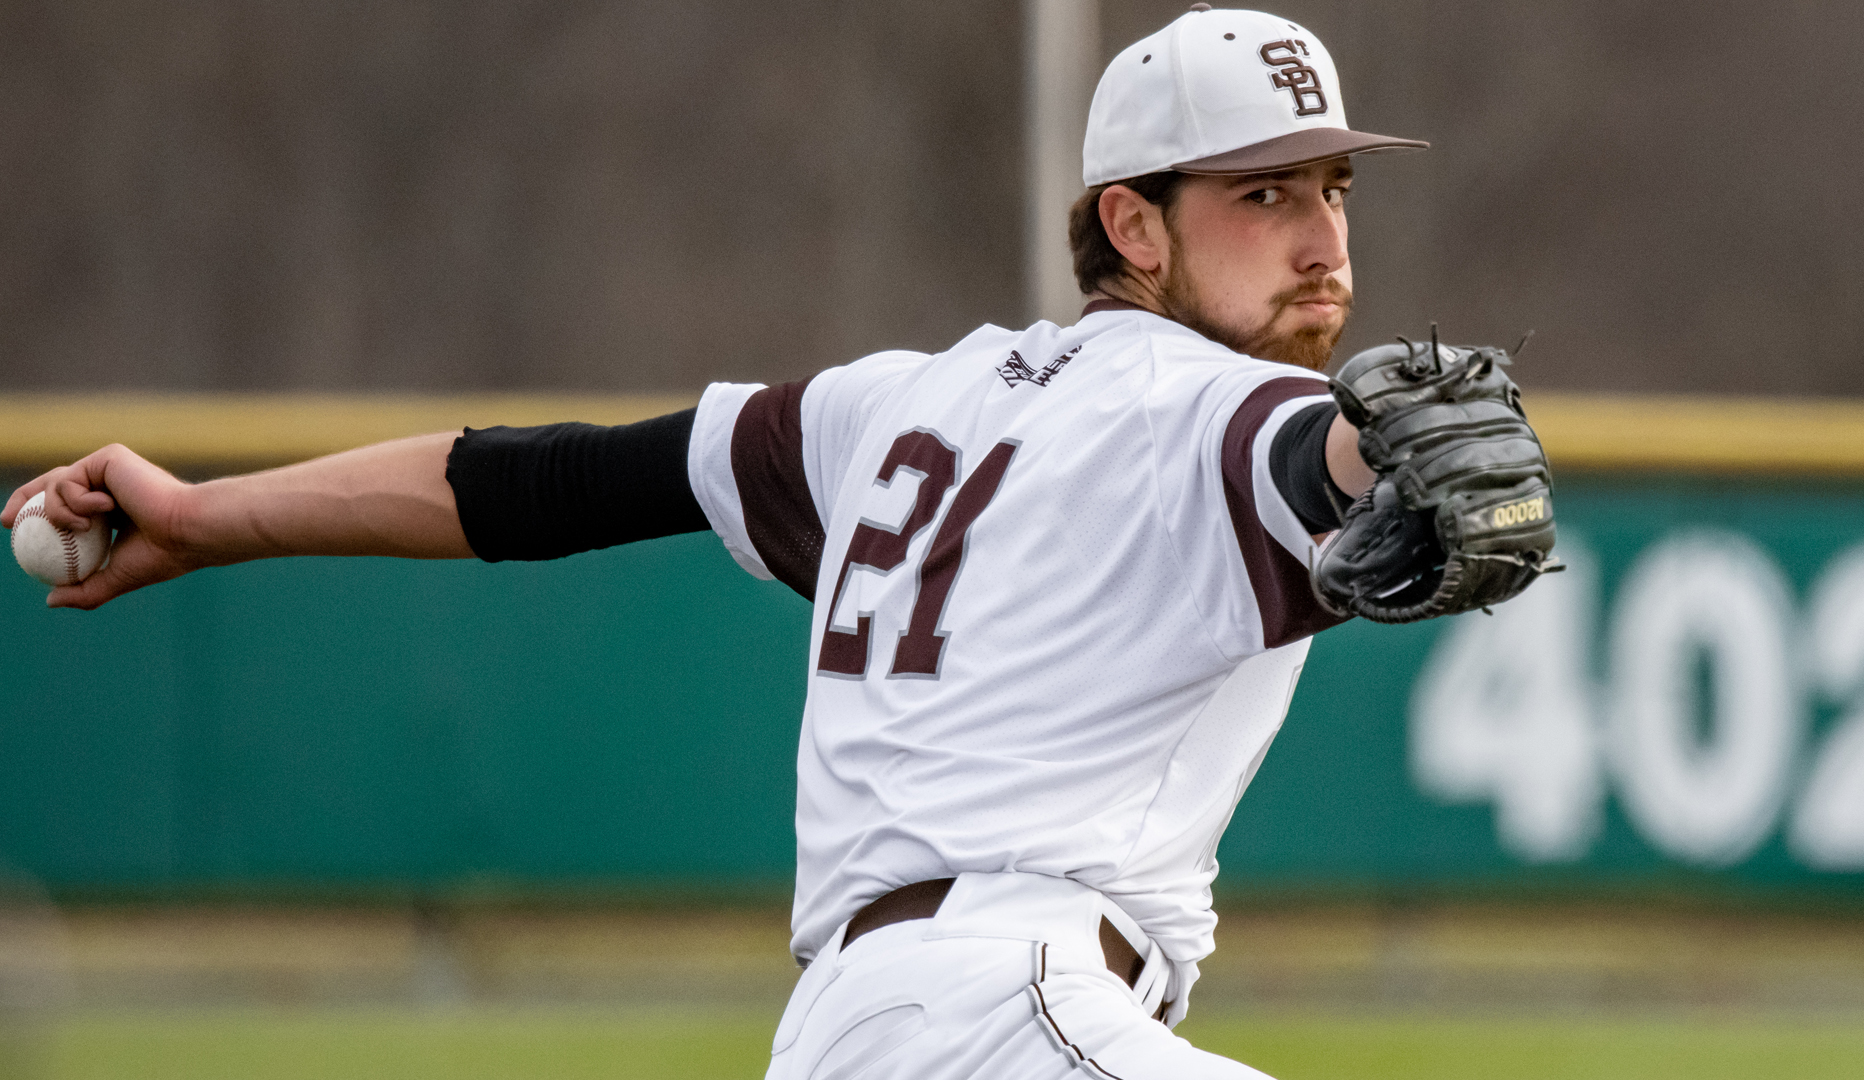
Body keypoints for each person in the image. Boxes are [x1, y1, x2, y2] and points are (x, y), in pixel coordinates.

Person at [3, 8, 1525, 1078]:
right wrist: (1375, 443)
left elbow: (539, 486)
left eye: (1330, 187)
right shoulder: (1218, 413)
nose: (1324, 234)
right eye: (1265, 195)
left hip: (855, 1032)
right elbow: (1300, 449)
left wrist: (207, 518)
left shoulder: (889, 409)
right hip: (1011, 1013)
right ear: (1133, 225)